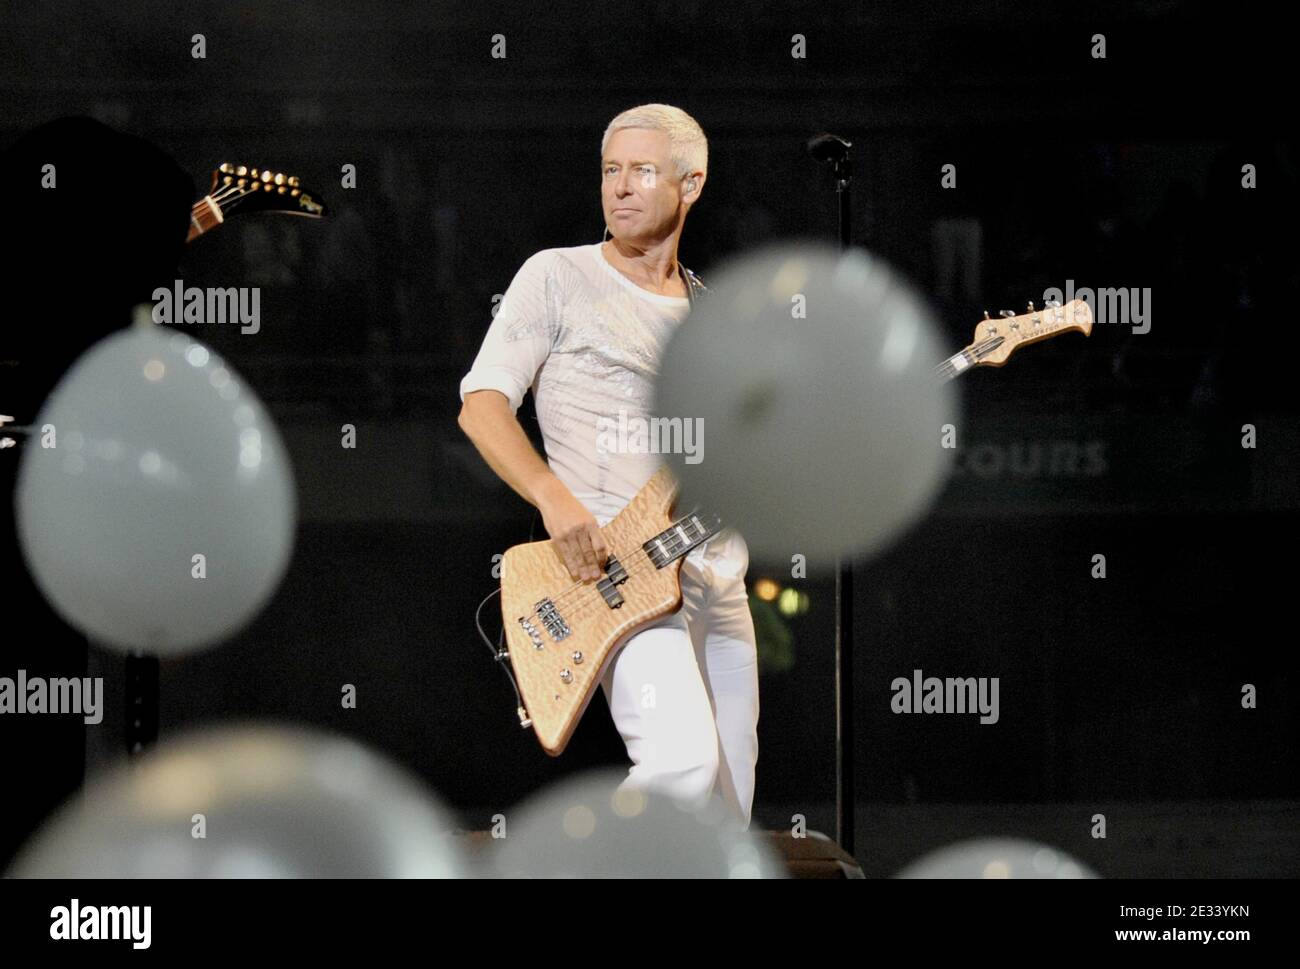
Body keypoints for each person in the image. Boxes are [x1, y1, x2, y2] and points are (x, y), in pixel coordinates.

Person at [457, 103, 760, 827]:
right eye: (610, 171)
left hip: (717, 578)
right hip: (621, 576)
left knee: (728, 813)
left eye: (642, 171)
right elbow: (481, 403)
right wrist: (554, 500)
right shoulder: (557, 276)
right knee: (679, 761)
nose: (619, 187)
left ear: (691, 184)